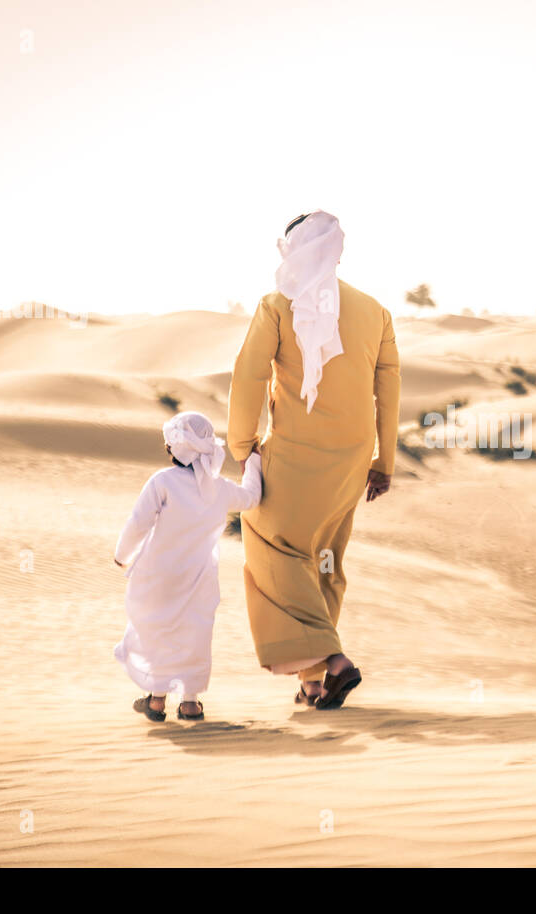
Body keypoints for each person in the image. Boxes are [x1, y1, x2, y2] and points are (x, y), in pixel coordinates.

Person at [227, 210, 400, 710]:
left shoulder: (277, 306)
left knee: (271, 545)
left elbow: (249, 376)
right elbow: (387, 390)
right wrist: (383, 461)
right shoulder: (375, 311)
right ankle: (311, 683)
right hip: (351, 458)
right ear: (337, 252)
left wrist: (243, 447)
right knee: (325, 558)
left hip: (295, 454)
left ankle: (334, 660)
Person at [113, 411, 263, 722]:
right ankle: (190, 703)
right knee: (195, 633)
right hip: (199, 577)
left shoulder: (162, 481)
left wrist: (121, 554)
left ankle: (156, 700)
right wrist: (254, 463)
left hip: (158, 574)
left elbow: (138, 522)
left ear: (178, 449)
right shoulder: (219, 489)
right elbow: (252, 497)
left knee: (160, 631)